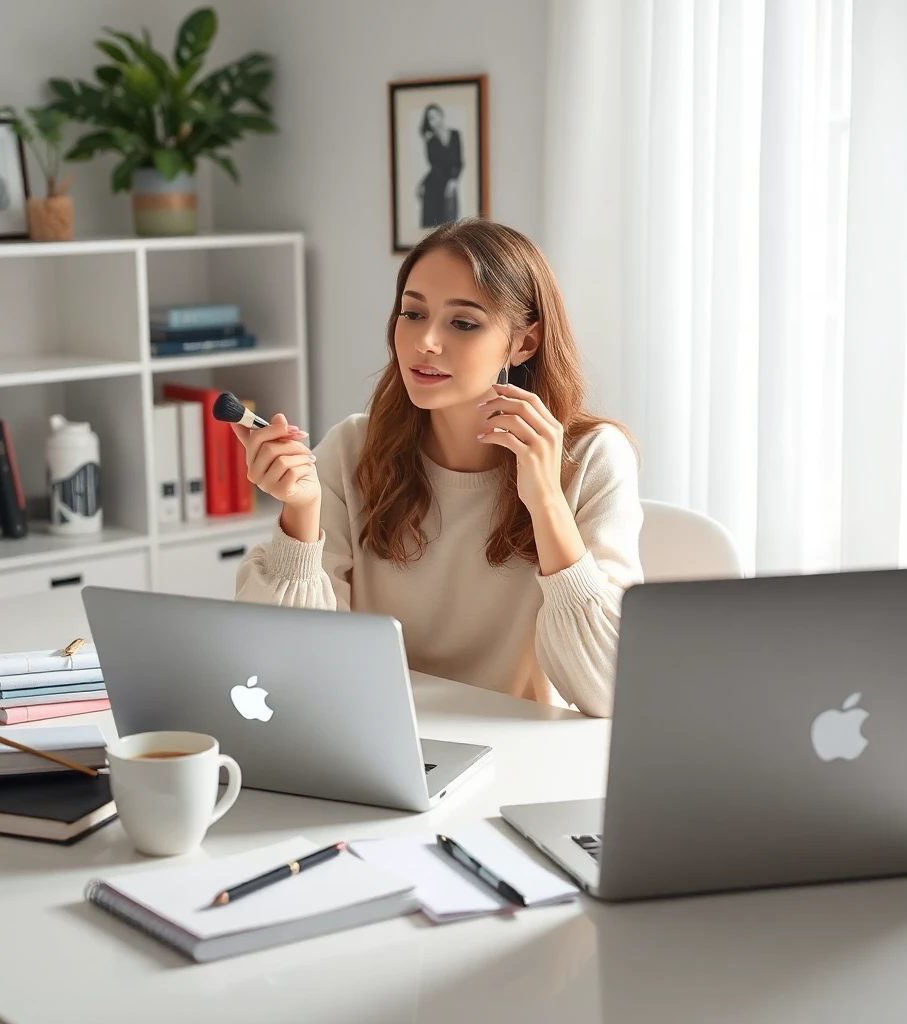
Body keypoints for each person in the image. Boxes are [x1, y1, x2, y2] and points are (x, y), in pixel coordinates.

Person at [234, 219, 644, 718]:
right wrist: (300, 515)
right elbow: (286, 667)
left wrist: (546, 503)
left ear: (524, 344)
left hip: (518, 752)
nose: (425, 341)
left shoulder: (594, 457)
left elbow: (609, 691)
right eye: (412, 312)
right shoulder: (352, 448)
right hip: (375, 738)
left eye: (463, 322)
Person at [417, 104, 462, 227]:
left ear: (442, 115)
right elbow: (435, 167)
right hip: (433, 187)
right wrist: (422, 184)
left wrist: (453, 180)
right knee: (433, 228)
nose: (434, 120)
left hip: (448, 186)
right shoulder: (431, 142)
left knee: (450, 227)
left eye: (436, 115)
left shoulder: (455, 135)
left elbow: (459, 162)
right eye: (430, 118)